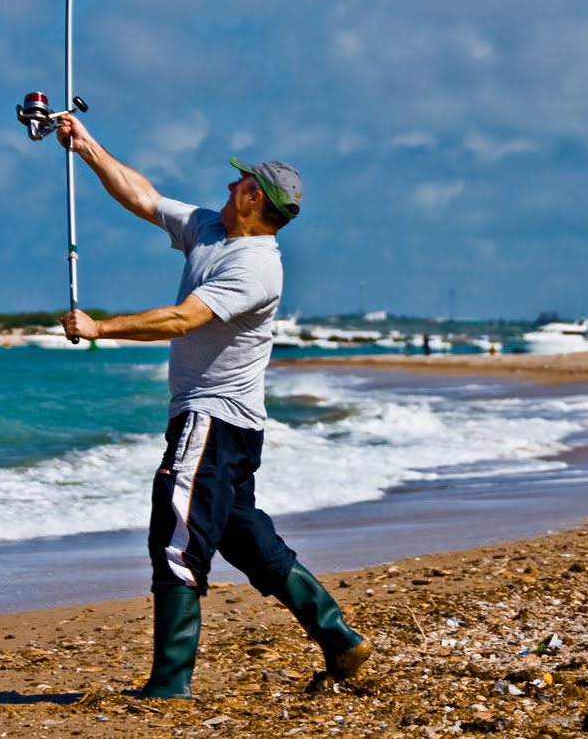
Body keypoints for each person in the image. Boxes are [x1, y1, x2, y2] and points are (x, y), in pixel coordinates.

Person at [53, 114, 370, 699]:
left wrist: (99, 328)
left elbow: (183, 319)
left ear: (254, 196)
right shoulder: (209, 230)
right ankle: (339, 639)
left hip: (213, 417)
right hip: (231, 425)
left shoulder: (255, 266)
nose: (226, 188)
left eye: (237, 182)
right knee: (246, 538)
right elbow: (144, 197)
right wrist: (86, 145)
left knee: (176, 537)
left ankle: (170, 684)